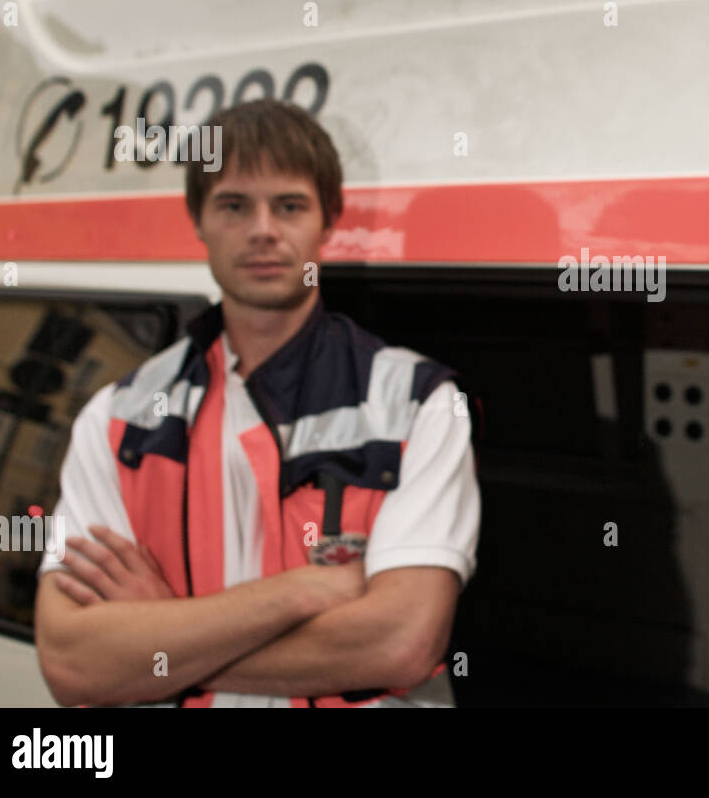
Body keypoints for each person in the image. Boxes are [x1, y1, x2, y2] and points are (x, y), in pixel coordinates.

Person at [33, 99, 480, 708]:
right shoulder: (119, 419)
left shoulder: (418, 403)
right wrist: (300, 592)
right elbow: (72, 661)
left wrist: (164, 638)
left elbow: (399, 643)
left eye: (289, 205)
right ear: (198, 219)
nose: (263, 229)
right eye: (234, 205)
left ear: (329, 221)